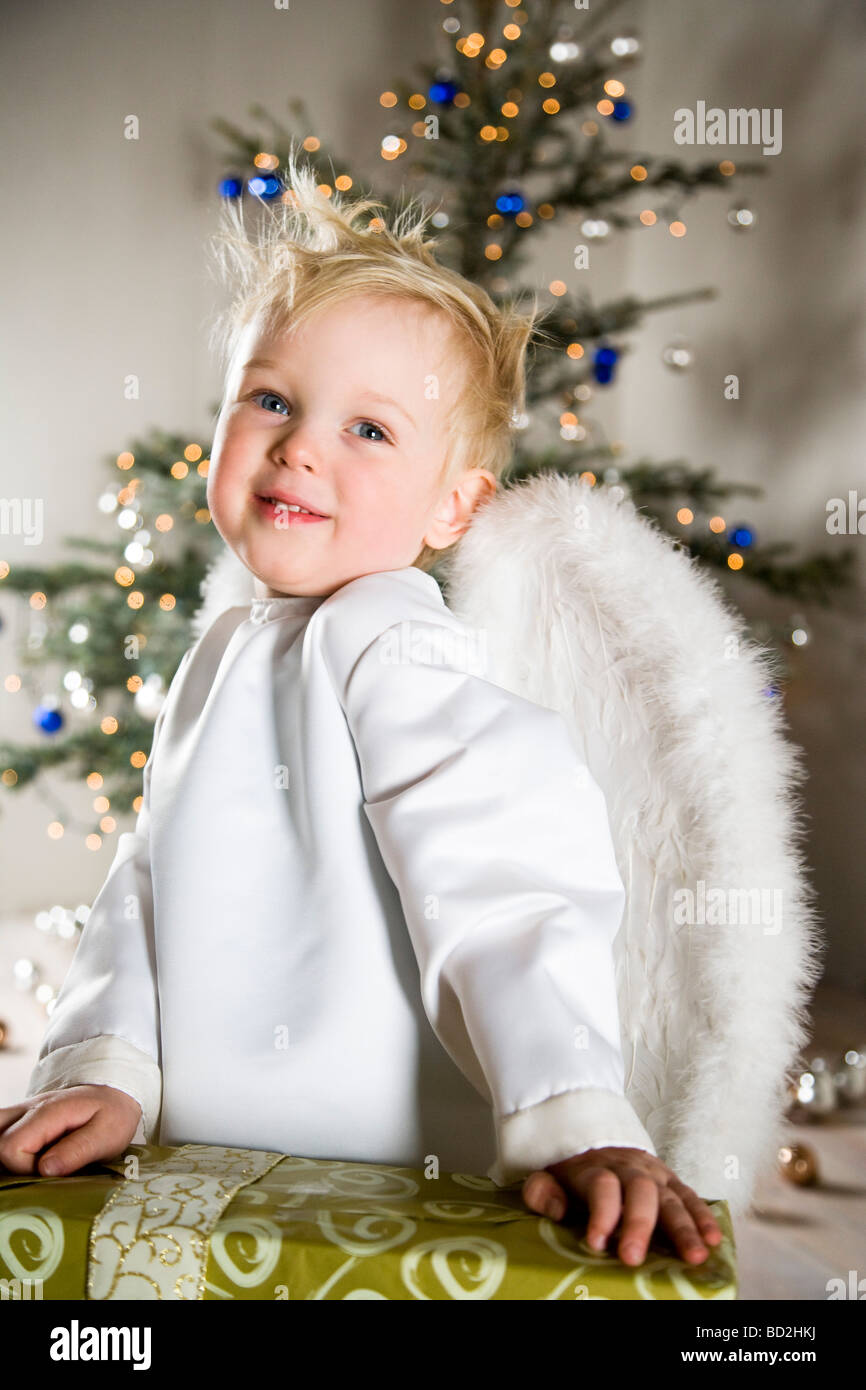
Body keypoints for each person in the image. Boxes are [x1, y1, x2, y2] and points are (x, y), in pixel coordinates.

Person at [0, 149, 722, 1270]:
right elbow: (149, 882)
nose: (297, 446)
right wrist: (107, 1063)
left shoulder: (387, 641)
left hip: (377, 1181)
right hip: (221, 1174)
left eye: (368, 430)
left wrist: (574, 1113)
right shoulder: (225, 650)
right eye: (272, 400)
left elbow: (499, 872)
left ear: (453, 503)